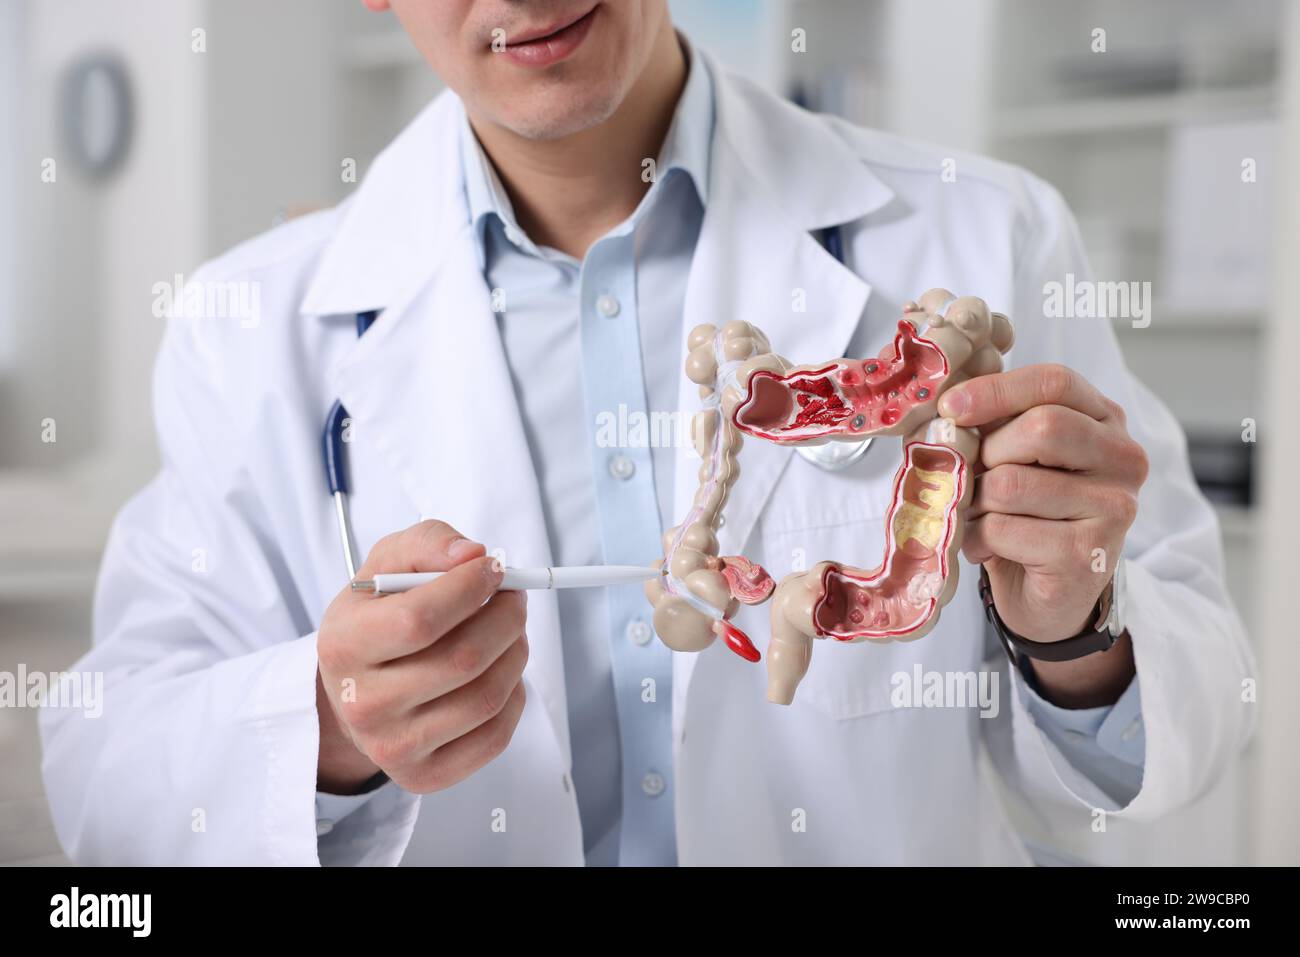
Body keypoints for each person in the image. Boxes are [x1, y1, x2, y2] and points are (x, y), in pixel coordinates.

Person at [41, 0, 1254, 866]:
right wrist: (324, 728)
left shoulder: (986, 240)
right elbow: (108, 780)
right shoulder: (245, 327)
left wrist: (1073, 630)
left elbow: (1200, 709)